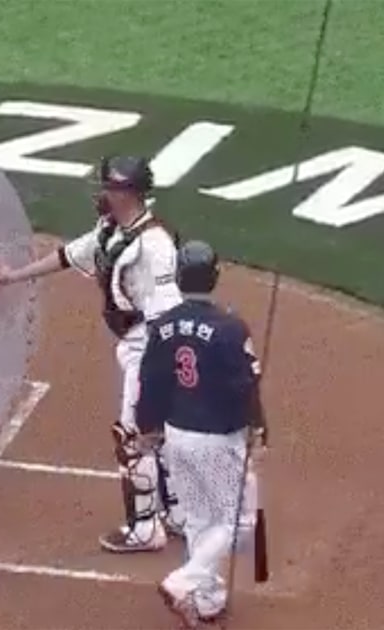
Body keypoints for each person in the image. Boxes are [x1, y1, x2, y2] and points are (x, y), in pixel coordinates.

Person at [0, 155, 186, 553]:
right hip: (134, 343)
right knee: (154, 436)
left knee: (135, 436)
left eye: (109, 187)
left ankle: (147, 528)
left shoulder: (155, 246)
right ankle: (177, 511)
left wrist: (157, 371)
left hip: (151, 346)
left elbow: (168, 314)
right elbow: (68, 255)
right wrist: (12, 277)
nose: (102, 193)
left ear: (128, 193)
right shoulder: (112, 230)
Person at [134, 240, 267, 627]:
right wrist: (259, 426)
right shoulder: (229, 327)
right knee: (239, 520)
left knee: (199, 519)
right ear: (214, 277)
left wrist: (147, 427)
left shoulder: (162, 328)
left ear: (178, 277)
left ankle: (207, 599)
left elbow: (151, 381)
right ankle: (184, 581)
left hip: (177, 434)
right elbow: (245, 384)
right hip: (219, 438)